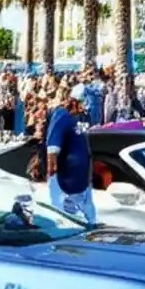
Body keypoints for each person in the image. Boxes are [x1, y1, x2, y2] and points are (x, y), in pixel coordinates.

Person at [46, 84, 96, 223]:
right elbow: (52, 148)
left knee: (88, 220)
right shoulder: (62, 115)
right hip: (66, 182)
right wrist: (53, 173)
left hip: (82, 183)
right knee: (67, 220)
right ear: (74, 101)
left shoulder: (79, 118)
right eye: (82, 102)